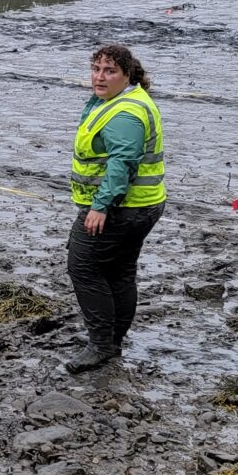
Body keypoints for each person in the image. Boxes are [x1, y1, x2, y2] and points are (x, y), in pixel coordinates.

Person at [64, 43, 166, 373]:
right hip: (142, 206)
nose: (100, 76)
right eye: (96, 69)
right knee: (120, 272)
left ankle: (101, 345)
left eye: (109, 71)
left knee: (83, 268)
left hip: (122, 208)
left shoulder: (125, 112)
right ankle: (113, 340)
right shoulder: (122, 100)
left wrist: (101, 206)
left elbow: (122, 163)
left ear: (127, 74)